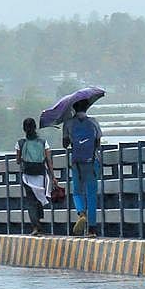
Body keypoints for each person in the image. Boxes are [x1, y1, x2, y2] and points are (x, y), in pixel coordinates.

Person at [62, 99, 102, 237]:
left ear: (73, 108)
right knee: (91, 195)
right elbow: (98, 142)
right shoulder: (93, 122)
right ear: (87, 107)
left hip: (77, 163)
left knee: (77, 192)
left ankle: (81, 212)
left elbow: (65, 144)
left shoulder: (68, 123)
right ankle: (92, 229)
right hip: (92, 162)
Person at [15, 117, 57, 235]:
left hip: (27, 176)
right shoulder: (43, 142)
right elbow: (49, 160)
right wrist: (53, 177)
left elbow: (18, 161)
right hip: (40, 175)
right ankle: (39, 222)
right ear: (35, 128)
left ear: (24, 129)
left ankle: (35, 226)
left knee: (30, 201)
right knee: (39, 199)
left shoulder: (20, 143)